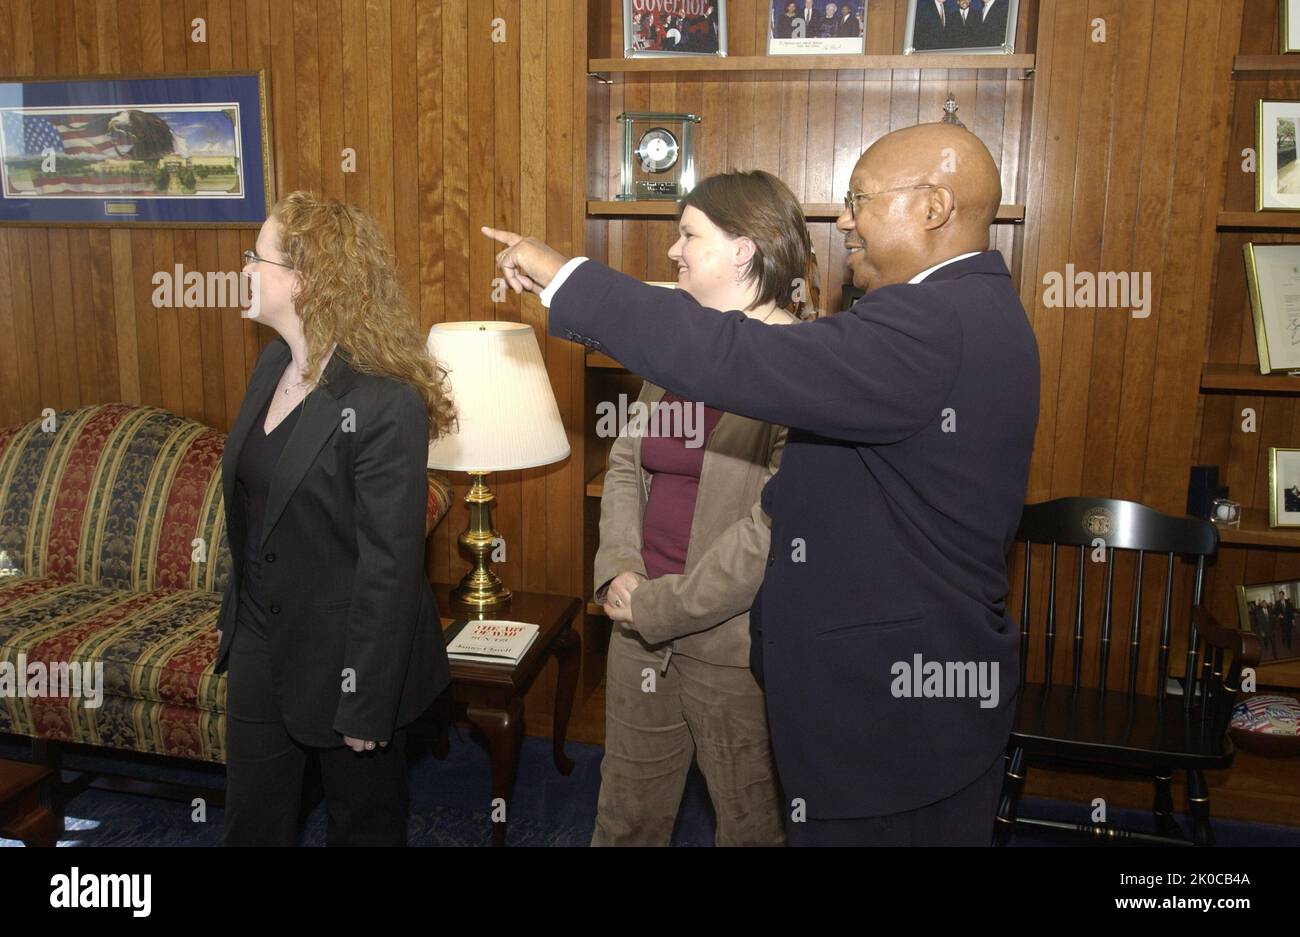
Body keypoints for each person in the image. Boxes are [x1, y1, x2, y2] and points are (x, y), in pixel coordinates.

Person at [484, 121, 1041, 846]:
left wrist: (565, 277)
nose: (844, 220)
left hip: (890, 718)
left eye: (859, 199)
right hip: (891, 706)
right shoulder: (968, 310)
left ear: (933, 207)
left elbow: (733, 359)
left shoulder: (929, 322)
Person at [216, 191, 455, 846]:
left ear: (301, 279)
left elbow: (389, 567)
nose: (242, 269)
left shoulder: (386, 403)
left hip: (351, 659)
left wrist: (366, 697)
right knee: (251, 825)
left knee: (363, 831)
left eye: (254, 258)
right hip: (262, 640)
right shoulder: (271, 366)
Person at [590, 170, 814, 846]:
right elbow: (626, 463)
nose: (672, 251)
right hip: (634, 628)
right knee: (626, 819)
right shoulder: (683, 351)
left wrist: (661, 605)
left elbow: (770, 533)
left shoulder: (805, 369)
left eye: (689, 234)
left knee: (751, 827)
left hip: (734, 651)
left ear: (743, 249)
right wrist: (620, 571)